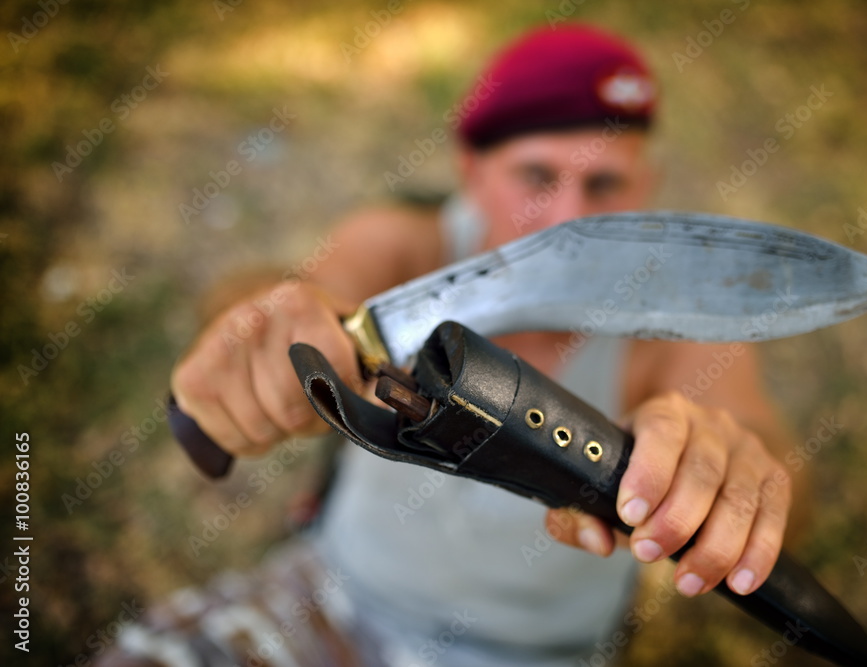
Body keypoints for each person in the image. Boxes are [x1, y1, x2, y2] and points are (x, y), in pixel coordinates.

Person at [104, 23, 802, 667]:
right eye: (536, 176)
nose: (568, 217)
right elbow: (298, 293)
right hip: (328, 596)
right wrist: (257, 325)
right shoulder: (406, 247)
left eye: (605, 182)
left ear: (646, 188)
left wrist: (738, 468)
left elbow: (759, 441)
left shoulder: (673, 327)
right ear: (472, 171)